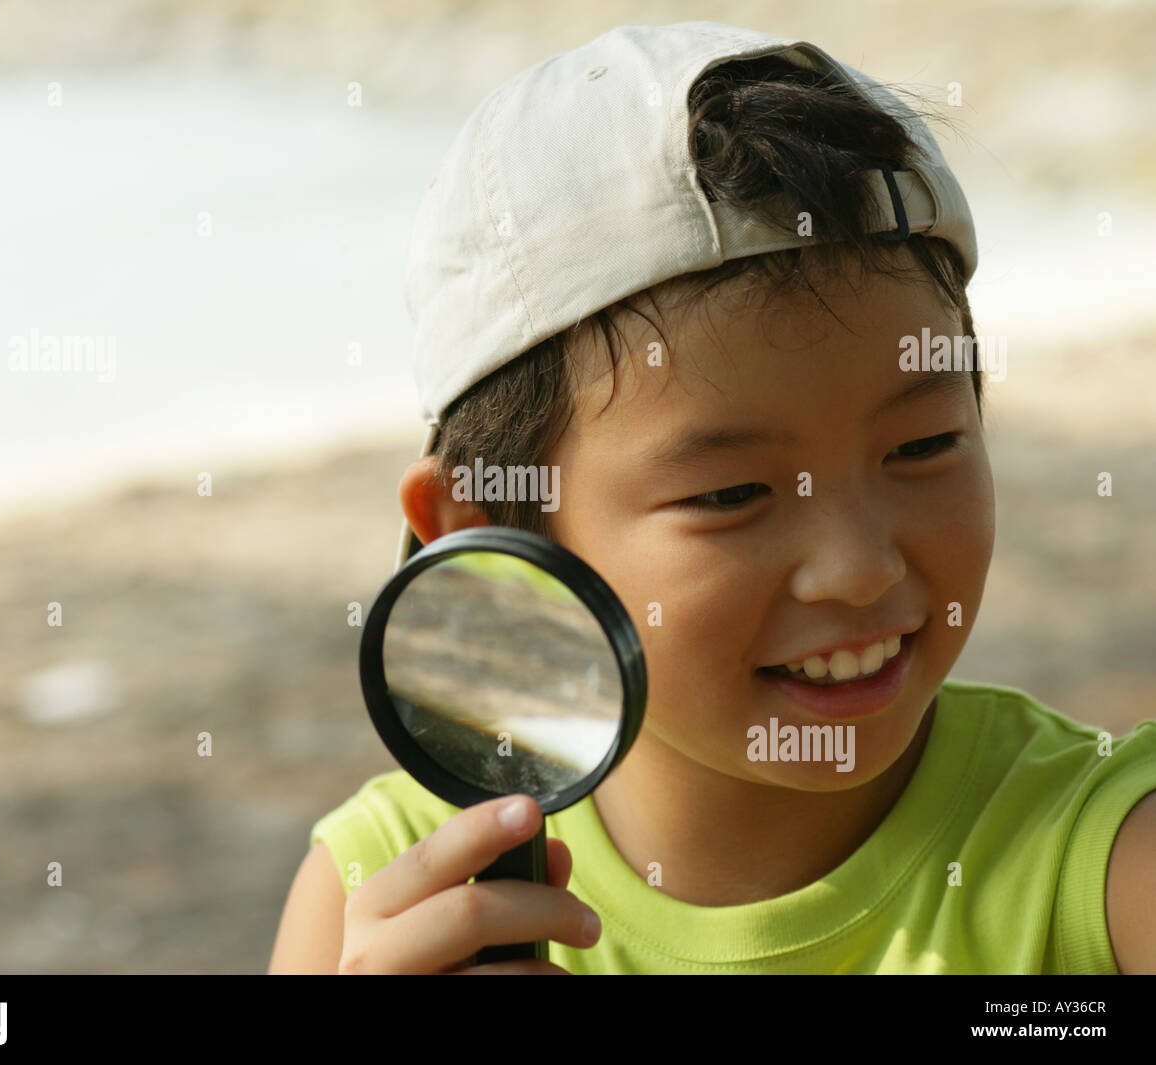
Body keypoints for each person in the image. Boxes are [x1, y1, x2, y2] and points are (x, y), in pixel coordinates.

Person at [268, 22, 1156, 974]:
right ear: (486, 524)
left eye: (924, 443)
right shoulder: (385, 904)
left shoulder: (1106, 870)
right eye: (732, 492)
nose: (859, 566)